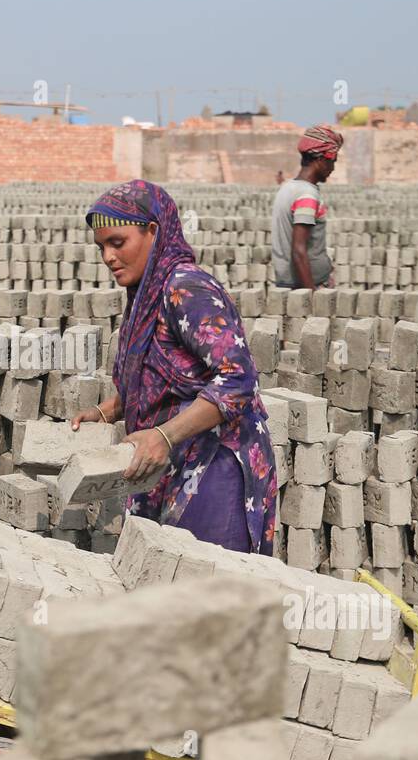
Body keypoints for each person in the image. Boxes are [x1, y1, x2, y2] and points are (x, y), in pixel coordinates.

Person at [69, 179, 278, 555]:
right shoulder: (146, 293)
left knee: (208, 590)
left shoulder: (186, 290)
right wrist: (107, 411)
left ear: (154, 231)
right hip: (172, 459)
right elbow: (161, 376)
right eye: (101, 247)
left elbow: (238, 380)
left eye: (118, 243)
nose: (108, 258)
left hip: (214, 464)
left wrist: (163, 436)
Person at [271, 124, 342, 290]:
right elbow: (298, 250)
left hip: (287, 283)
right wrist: (311, 295)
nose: (332, 168)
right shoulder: (307, 195)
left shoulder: (287, 187)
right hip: (305, 285)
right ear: (320, 160)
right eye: (332, 162)